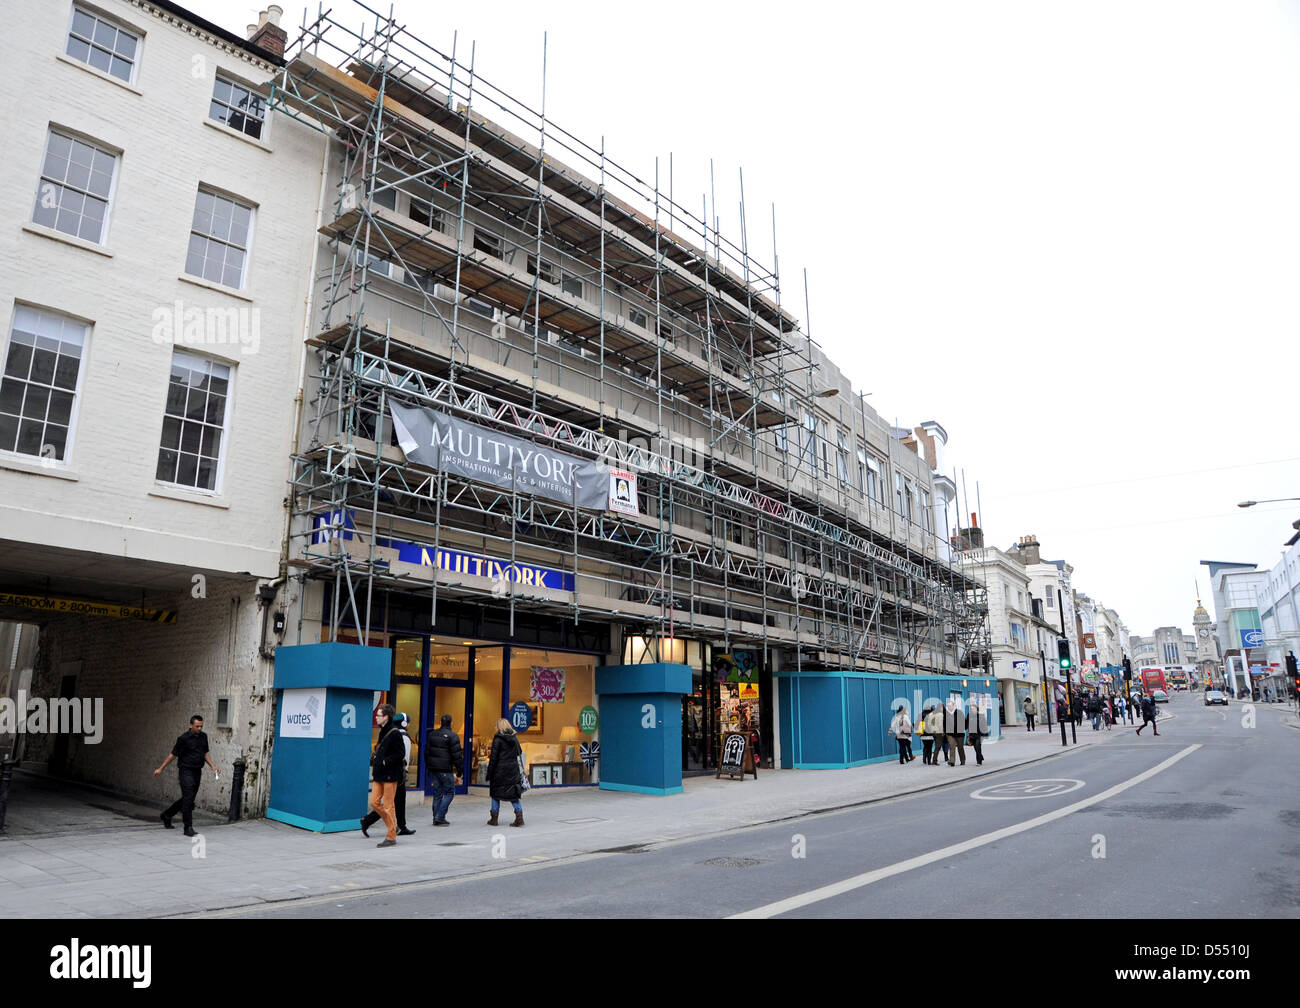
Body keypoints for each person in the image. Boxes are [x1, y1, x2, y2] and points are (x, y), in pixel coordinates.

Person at [155, 714, 219, 838]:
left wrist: (213, 766)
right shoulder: (183, 739)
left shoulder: (203, 737)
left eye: (201, 726)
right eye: (197, 726)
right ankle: (187, 827)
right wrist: (161, 768)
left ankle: (167, 815)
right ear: (191, 725)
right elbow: (173, 755)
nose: (199, 728)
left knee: (188, 799)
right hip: (185, 771)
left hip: (197, 771)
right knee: (188, 798)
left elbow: (205, 753)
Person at [363, 712, 416, 837]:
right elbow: (403, 756)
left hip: (389, 772)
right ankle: (368, 821)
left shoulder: (389, 732)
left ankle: (401, 827)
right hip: (395, 774)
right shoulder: (402, 736)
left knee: (396, 801)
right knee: (390, 803)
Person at [364, 704, 404, 847]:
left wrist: (386, 762)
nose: (376, 717)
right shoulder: (383, 731)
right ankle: (393, 825)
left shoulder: (395, 733)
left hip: (390, 775)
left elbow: (401, 754)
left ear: (386, 717)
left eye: (379, 715)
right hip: (379, 774)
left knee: (388, 806)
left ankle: (391, 836)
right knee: (374, 802)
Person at [424, 713, 464, 826]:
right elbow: (457, 756)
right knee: (450, 792)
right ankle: (440, 817)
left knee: (437, 793)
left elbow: (426, 752)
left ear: (441, 723)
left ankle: (436, 817)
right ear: (451, 723)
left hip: (433, 769)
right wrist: (460, 771)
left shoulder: (432, 735)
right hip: (445, 769)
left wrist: (428, 766)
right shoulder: (453, 736)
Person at [486, 717, 525, 827]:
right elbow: (519, 752)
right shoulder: (514, 738)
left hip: (499, 770)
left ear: (499, 727)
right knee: (513, 794)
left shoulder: (497, 739)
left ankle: (494, 819)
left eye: (495, 726)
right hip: (513, 770)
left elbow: (493, 757)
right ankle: (519, 818)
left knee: (495, 794)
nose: (494, 727)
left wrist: (489, 772)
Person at [943, 696, 966, 767]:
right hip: (950, 734)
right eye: (948, 706)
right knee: (952, 746)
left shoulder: (959, 712)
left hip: (959, 734)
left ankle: (962, 760)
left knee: (960, 747)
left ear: (953, 706)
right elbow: (944, 723)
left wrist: (961, 729)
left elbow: (964, 722)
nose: (949, 707)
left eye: (950, 706)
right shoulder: (946, 714)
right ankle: (952, 761)